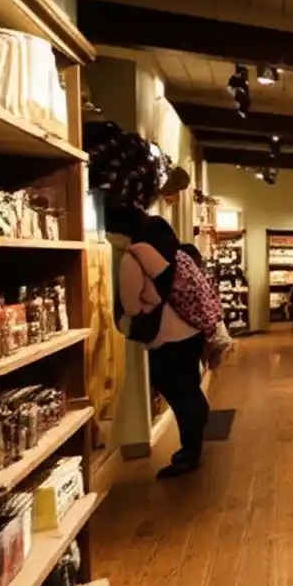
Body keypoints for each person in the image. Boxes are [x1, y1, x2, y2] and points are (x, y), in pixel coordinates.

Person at [107, 205, 211, 478]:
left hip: (165, 336)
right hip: (191, 331)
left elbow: (130, 306)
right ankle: (193, 444)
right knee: (189, 389)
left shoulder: (134, 257)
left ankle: (189, 453)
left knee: (176, 391)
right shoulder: (177, 254)